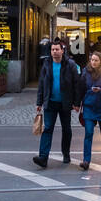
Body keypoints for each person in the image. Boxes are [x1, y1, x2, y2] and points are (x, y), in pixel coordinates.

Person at [33, 39, 83, 169]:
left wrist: (77, 103)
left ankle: (66, 153)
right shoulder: (47, 63)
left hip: (65, 103)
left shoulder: (70, 64)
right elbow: (41, 84)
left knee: (66, 129)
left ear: (62, 50)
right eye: (52, 50)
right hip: (50, 102)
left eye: (57, 49)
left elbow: (77, 84)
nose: (54, 52)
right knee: (48, 128)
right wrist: (39, 102)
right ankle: (43, 157)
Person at [78, 51, 101, 170]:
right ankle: (86, 160)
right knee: (88, 133)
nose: (93, 62)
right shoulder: (85, 72)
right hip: (88, 106)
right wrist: (77, 103)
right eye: (92, 60)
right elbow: (81, 88)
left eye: (96, 60)